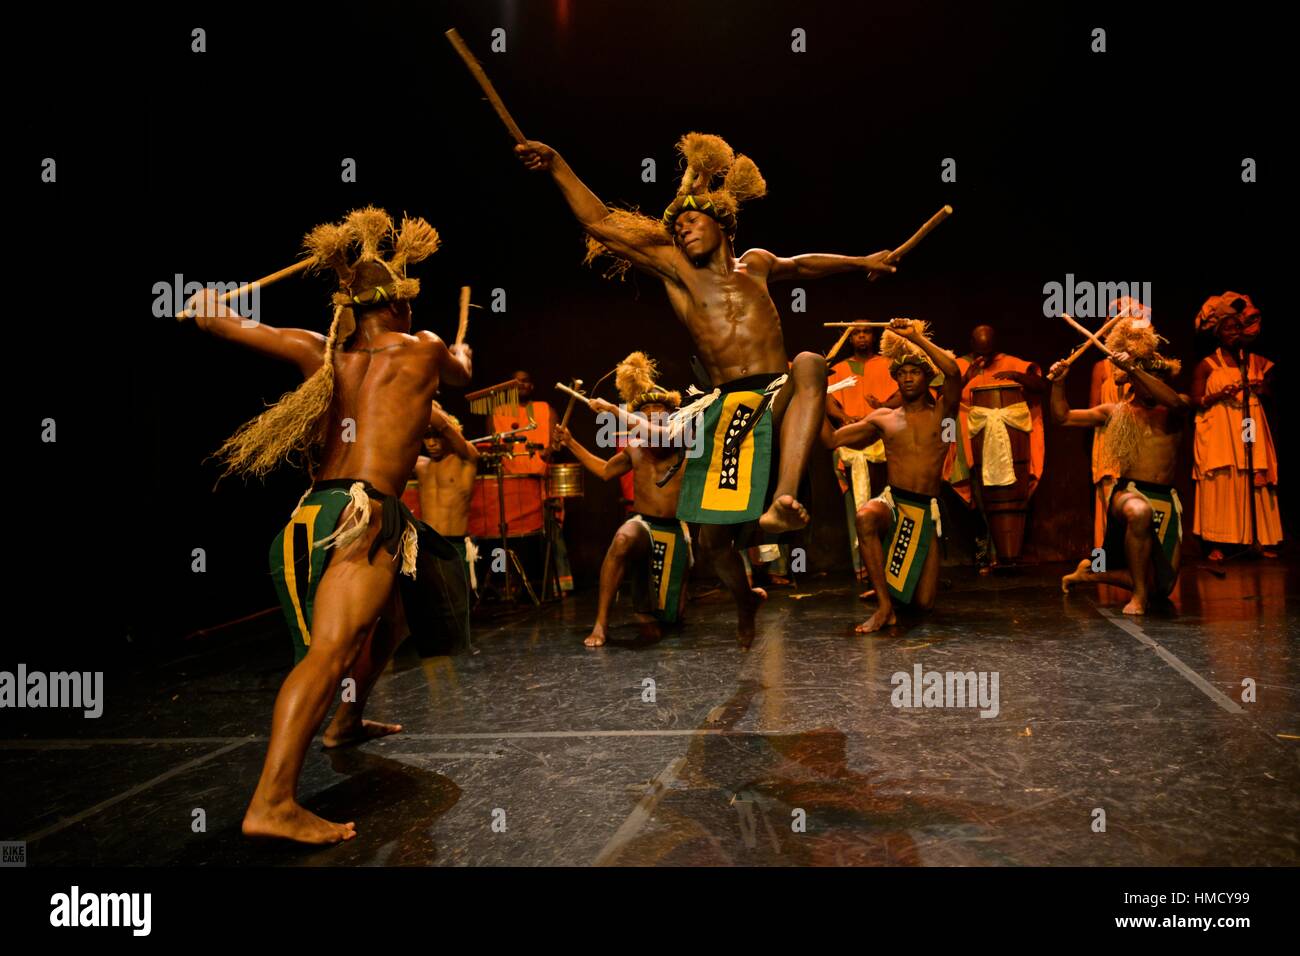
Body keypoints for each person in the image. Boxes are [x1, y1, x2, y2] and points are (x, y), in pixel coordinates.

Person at [516, 132, 896, 644]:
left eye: (692, 221)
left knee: (808, 362)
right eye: (677, 226)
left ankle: (782, 500)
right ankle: (745, 604)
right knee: (716, 544)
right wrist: (558, 165)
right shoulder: (677, 272)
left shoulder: (757, 264)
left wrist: (862, 262)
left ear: (722, 224)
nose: (684, 231)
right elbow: (601, 223)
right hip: (727, 403)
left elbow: (803, 264)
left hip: (776, 389)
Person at [183, 207, 471, 843]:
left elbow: (222, 323)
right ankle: (273, 802)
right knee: (329, 652)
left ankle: (347, 720)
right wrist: (463, 351)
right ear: (398, 305)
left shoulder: (320, 351)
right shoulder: (422, 349)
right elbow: (463, 375)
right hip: (360, 517)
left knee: (394, 621)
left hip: (311, 514)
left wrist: (204, 302)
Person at [830, 319, 961, 633]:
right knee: (865, 517)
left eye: (914, 372)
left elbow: (954, 372)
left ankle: (890, 584)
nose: (907, 379)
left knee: (923, 605)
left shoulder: (944, 413)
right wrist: (814, 389)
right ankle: (884, 607)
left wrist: (916, 337)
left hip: (925, 510)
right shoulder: (885, 418)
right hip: (893, 504)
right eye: (901, 374)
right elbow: (831, 441)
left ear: (927, 376)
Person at [554, 352, 690, 646]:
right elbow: (604, 471)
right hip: (644, 525)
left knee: (672, 620)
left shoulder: (680, 439)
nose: (654, 414)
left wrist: (614, 413)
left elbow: (661, 436)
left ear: (670, 414)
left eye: (660, 409)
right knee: (622, 538)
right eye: (648, 410)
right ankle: (601, 624)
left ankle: (655, 611)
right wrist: (571, 443)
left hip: (676, 530)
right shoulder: (634, 449)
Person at [1054, 318, 1189, 614]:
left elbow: (1177, 404)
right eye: (1143, 377)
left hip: (1165, 499)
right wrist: (1059, 382)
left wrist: (1134, 368)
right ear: (1133, 382)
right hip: (1128, 494)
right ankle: (1138, 597)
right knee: (1139, 511)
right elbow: (1062, 417)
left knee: (1163, 588)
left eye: (1155, 377)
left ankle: (1092, 573)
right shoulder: (1116, 411)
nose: (1150, 384)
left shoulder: (1176, 407)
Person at [1189, 292, 1280, 559]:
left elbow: (1271, 395)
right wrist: (1219, 394)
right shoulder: (1207, 366)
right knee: (1224, 476)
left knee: (1251, 468)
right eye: (1227, 329)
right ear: (1218, 333)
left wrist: (1260, 388)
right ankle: (1218, 543)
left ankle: (1260, 537)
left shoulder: (1254, 361)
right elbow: (1194, 400)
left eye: (1236, 328)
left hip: (1248, 421)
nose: (1233, 333)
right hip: (1219, 424)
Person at [947, 323, 1046, 568]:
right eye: (980, 352)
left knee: (1006, 494)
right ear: (971, 345)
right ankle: (985, 551)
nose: (985, 358)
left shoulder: (1010, 362)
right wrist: (966, 377)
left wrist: (1018, 377)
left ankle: (1005, 553)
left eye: (989, 353)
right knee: (978, 494)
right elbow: (942, 401)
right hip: (973, 441)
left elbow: (1042, 386)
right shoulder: (958, 366)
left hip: (1008, 444)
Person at [404, 401, 480, 655]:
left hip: (453, 543)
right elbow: (396, 444)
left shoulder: (467, 459)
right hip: (425, 545)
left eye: (436, 436)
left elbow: (447, 429)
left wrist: (427, 402)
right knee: (426, 605)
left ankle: (461, 653)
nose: (432, 443)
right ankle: (432, 652)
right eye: (427, 437)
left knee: (458, 607)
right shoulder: (421, 465)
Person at [826, 323, 898, 583]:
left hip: (882, 441)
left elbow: (901, 393)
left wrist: (882, 409)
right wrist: (844, 417)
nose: (861, 337)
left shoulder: (888, 363)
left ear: (873, 335)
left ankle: (889, 564)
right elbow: (827, 398)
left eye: (866, 332)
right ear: (850, 338)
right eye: (856, 333)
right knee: (853, 504)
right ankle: (862, 566)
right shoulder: (839, 368)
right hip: (850, 442)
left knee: (886, 501)